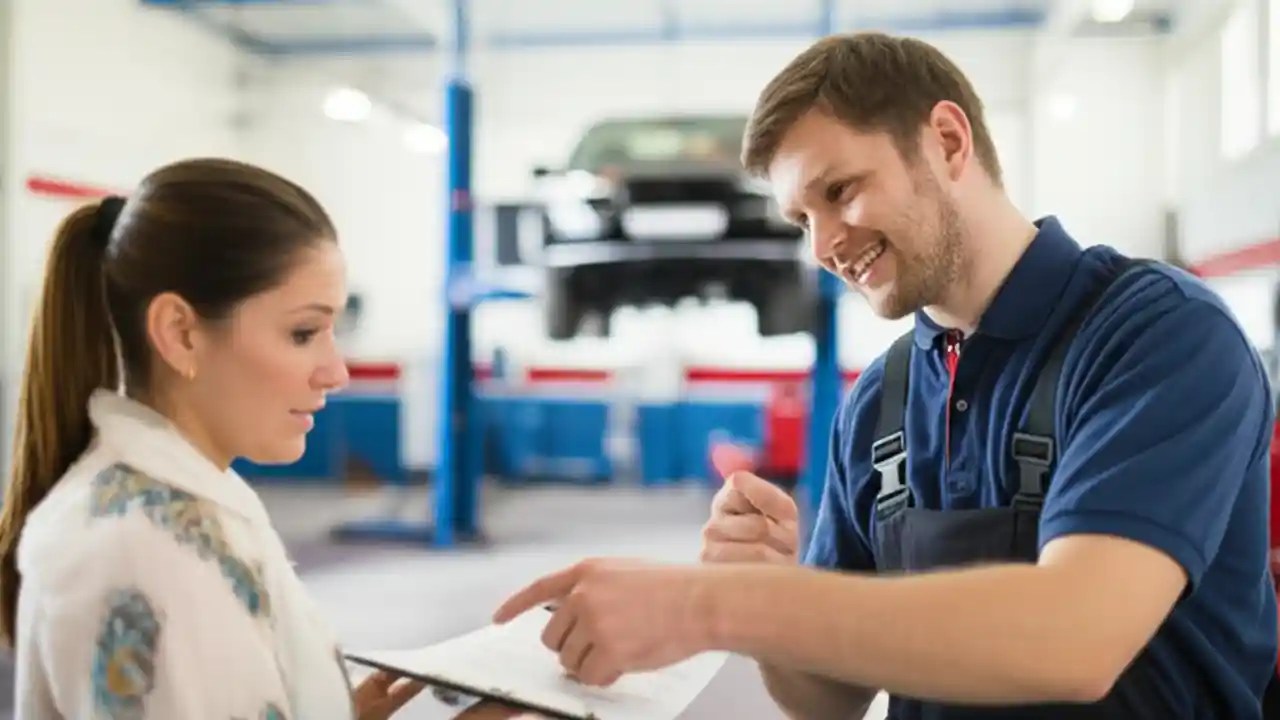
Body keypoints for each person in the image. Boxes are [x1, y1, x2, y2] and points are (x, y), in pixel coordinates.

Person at [491, 31, 1280, 719]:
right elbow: (827, 701)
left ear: (948, 142)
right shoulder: (879, 402)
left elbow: (1077, 637)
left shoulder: (1158, 334)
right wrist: (769, 590)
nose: (823, 246)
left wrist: (720, 604)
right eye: (802, 219)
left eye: (840, 192)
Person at [0, 158, 507, 720]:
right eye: (303, 333)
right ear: (180, 333)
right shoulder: (144, 551)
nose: (336, 372)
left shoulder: (185, 506)